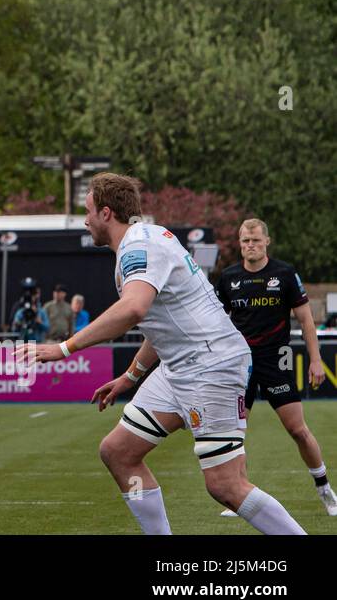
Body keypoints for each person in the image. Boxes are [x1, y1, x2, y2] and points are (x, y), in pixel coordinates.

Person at [19, 173, 304, 535]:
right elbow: (161, 324)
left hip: (211, 364)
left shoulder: (138, 247)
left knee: (225, 484)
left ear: (107, 213)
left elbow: (134, 309)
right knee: (118, 452)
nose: (85, 220)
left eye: (88, 211)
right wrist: (130, 377)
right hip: (180, 366)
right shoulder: (144, 241)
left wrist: (64, 348)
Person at [215, 218, 336, 516]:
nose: (250, 245)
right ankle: (239, 494)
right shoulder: (228, 278)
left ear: (267, 241)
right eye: (245, 241)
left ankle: (325, 489)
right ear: (240, 243)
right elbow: (216, 323)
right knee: (235, 431)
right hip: (239, 364)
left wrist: (316, 360)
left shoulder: (284, 273)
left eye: (255, 240)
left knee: (298, 430)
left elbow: (307, 320)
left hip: (276, 362)